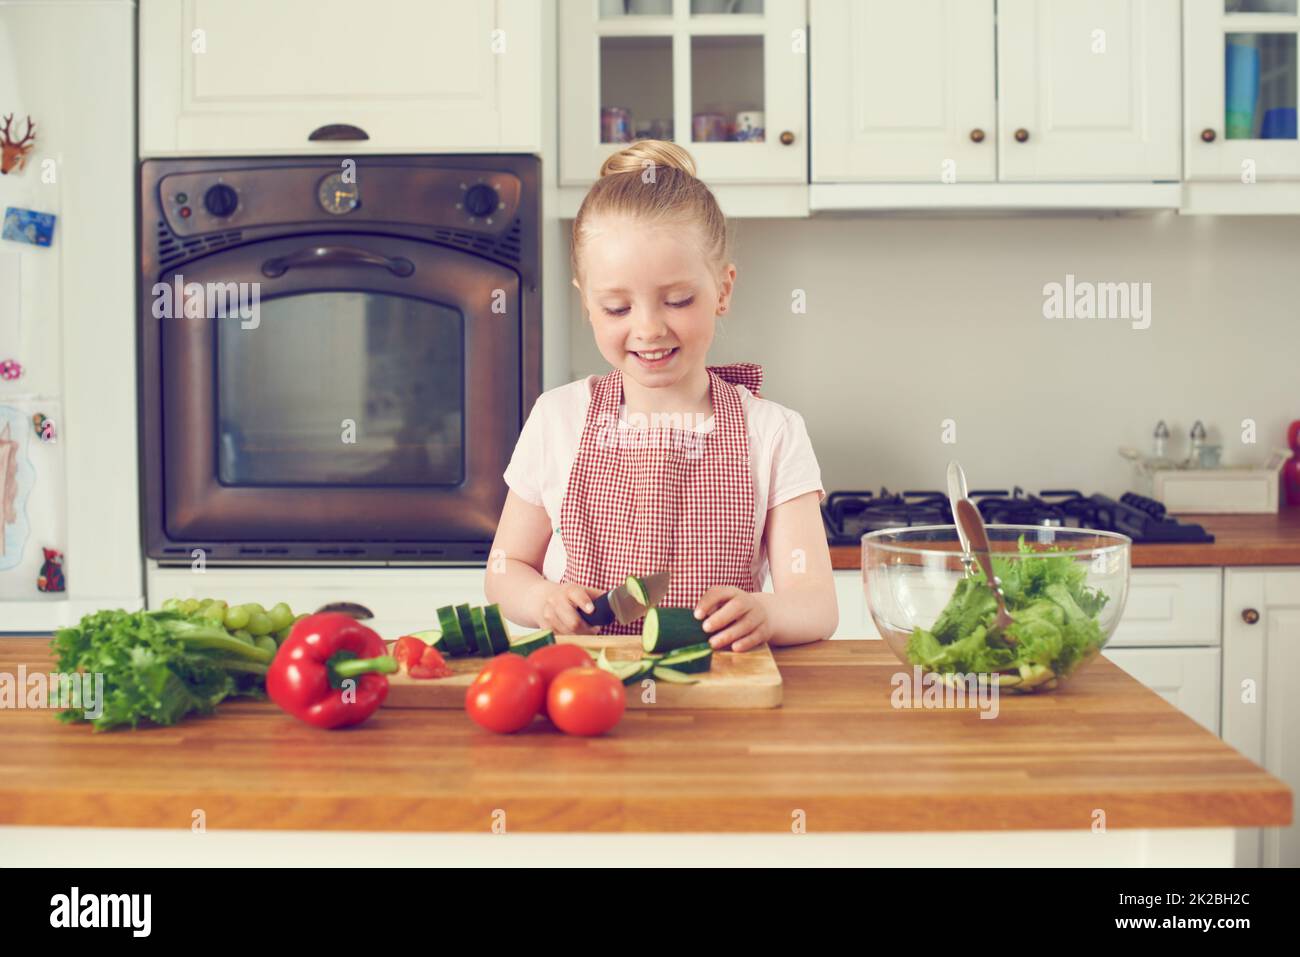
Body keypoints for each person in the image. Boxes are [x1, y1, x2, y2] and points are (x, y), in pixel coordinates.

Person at [485, 140, 836, 652]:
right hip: (584, 695)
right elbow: (504, 569)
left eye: (677, 300)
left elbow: (816, 604)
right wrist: (542, 599)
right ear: (587, 304)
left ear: (723, 289)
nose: (648, 329)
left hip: (720, 695)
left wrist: (766, 612)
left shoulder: (774, 432)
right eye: (616, 308)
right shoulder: (557, 418)